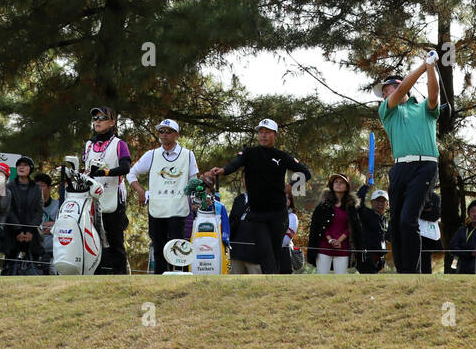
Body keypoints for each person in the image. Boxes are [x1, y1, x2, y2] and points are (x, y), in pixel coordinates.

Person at [205, 118, 311, 274]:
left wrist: (290, 186)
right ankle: (269, 281)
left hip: (278, 213)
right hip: (257, 213)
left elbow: (305, 172)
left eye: (267, 132)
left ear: (275, 135)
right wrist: (224, 170)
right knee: (264, 250)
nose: (263, 135)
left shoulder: (281, 156)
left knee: (275, 250)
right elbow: (236, 162)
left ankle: (273, 282)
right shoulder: (249, 153)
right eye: (261, 132)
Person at [375, 56, 441, 274]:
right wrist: (424, 65)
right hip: (400, 168)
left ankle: (411, 273)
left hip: (425, 167)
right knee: (396, 223)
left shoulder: (423, 109)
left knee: (408, 219)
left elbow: (433, 94)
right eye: (384, 92)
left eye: (387, 89)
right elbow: (403, 88)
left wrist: (430, 68)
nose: (385, 95)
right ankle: (403, 273)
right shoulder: (388, 111)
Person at [128, 118, 198, 275]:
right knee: (158, 248)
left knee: (178, 248)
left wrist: (195, 201)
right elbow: (131, 173)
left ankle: (179, 279)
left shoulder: (187, 155)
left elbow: (193, 180)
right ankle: (159, 280)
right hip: (157, 208)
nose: (164, 135)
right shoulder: (151, 155)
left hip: (178, 208)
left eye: (168, 131)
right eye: (161, 131)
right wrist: (140, 191)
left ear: (176, 134)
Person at [82, 107, 132, 275]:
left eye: (102, 118)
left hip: (113, 199)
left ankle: (120, 277)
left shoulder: (119, 144)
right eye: (95, 117)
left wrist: (105, 172)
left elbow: (126, 167)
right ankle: (96, 275)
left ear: (112, 122)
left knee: (115, 240)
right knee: (92, 240)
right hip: (92, 200)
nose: (97, 121)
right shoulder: (89, 145)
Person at [306, 174, 363, 274]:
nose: (338, 184)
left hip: (343, 249)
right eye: (336, 182)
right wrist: (331, 240)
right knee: (321, 279)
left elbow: (353, 227)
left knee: (340, 281)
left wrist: (339, 240)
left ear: (347, 187)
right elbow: (318, 226)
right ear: (331, 185)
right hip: (323, 248)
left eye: (341, 182)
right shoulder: (323, 206)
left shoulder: (351, 207)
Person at [2, 156, 44, 274]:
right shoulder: (9, 186)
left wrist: (30, 230)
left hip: (32, 234)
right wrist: (18, 230)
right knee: (10, 267)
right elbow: (8, 210)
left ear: (30, 169)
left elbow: (39, 211)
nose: (21, 167)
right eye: (19, 165)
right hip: (12, 233)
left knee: (34, 266)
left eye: (25, 165)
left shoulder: (37, 189)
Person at [354, 183, 389, 274]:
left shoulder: (385, 220)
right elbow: (358, 202)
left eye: (383, 201)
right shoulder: (366, 214)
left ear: (387, 204)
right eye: (377, 201)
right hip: (366, 258)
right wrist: (366, 186)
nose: (380, 204)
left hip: (379, 259)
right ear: (371, 202)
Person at [445, 199, 476, 274]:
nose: (474, 214)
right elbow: (452, 247)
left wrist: (462, 248)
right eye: (472, 211)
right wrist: (467, 251)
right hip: (460, 264)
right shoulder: (462, 229)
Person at [227, 190, 263, 274]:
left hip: (254, 251)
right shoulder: (239, 199)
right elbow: (231, 220)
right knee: (236, 281)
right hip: (237, 249)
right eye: (244, 177)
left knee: (256, 282)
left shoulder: (262, 198)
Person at [35, 172, 59, 269]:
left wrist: (55, 226)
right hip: (36, 253)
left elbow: (68, 226)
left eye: (42, 186)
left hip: (55, 253)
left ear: (49, 188)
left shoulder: (59, 206)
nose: (39, 189)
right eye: (37, 186)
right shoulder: (31, 206)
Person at [419, 190, 444, 273]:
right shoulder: (411, 193)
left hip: (430, 236)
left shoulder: (435, 197)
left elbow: (435, 216)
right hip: (415, 234)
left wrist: (420, 211)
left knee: (426, 264)